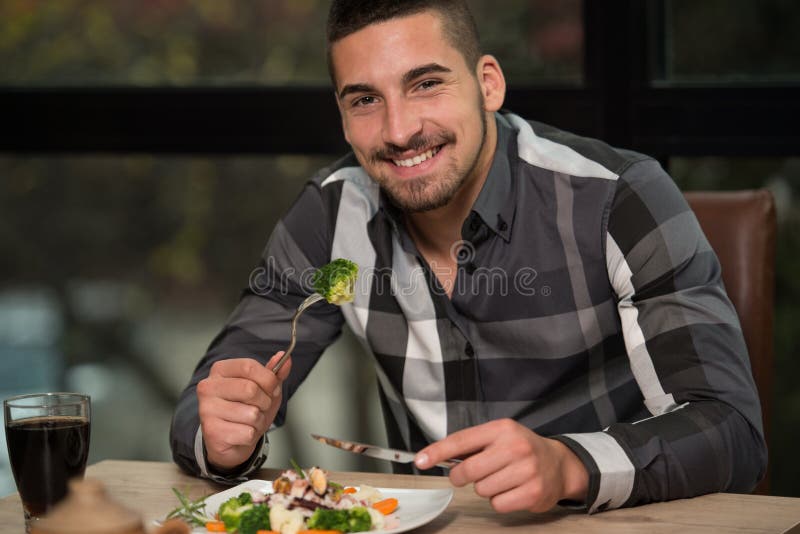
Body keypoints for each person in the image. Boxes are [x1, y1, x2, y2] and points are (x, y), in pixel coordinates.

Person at [170, 0, 766, 514]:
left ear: (488, 84)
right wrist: (224, 438)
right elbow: (206, 404)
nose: (400, 130)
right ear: (343, 117)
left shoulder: (619, 196)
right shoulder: (329, 216)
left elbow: (730, 430)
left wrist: (569, 465)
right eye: (365, 100)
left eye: (426, 84)